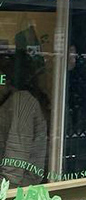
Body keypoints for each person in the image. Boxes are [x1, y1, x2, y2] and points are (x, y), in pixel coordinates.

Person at [0, 54, 48, 187]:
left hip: (19, 192)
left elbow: (15, 165)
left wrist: (5, 192)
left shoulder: (21, 101)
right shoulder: (11, 101)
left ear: (8, 80)